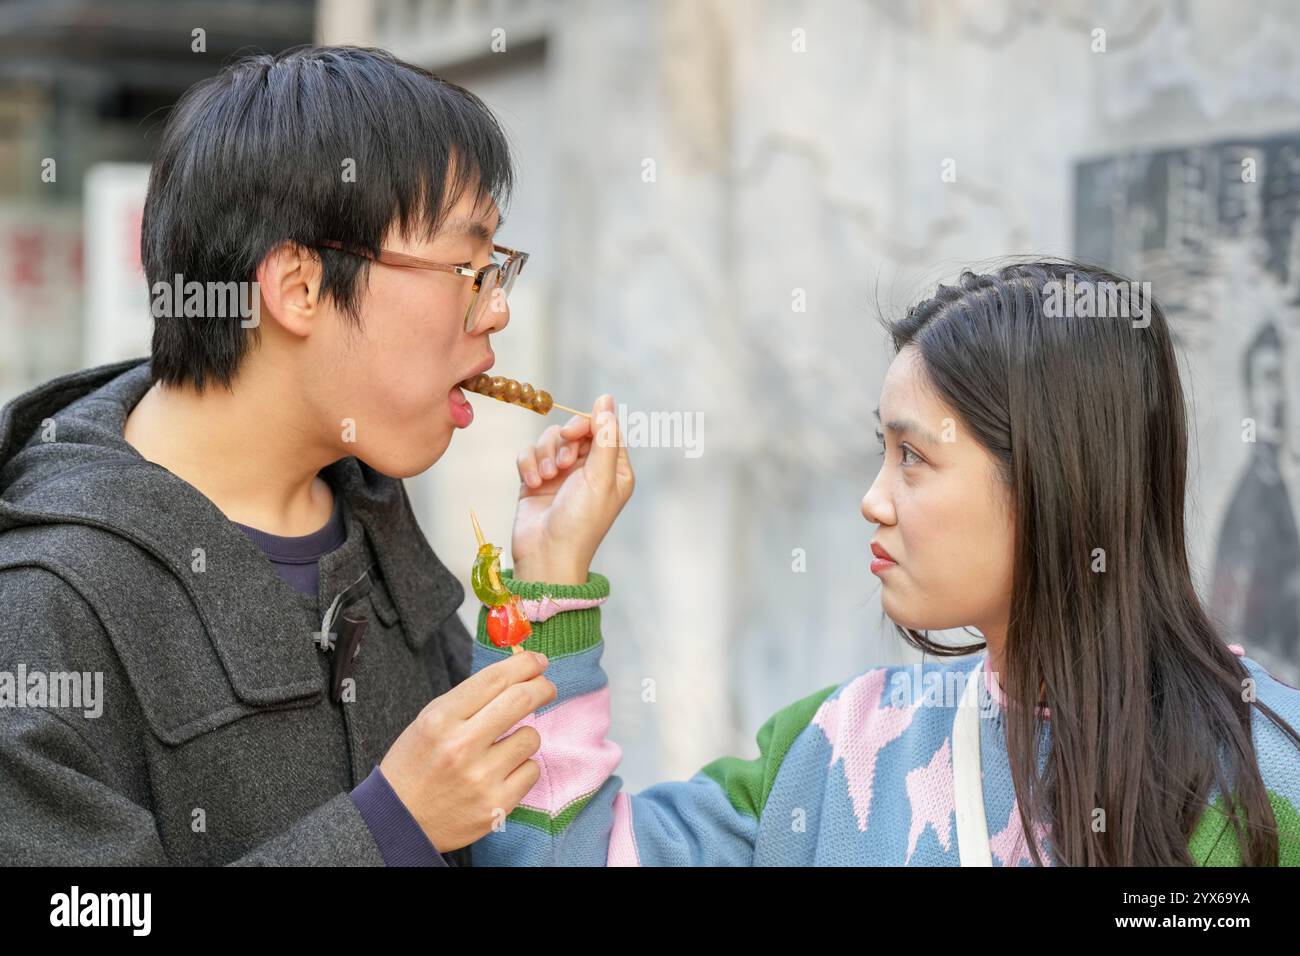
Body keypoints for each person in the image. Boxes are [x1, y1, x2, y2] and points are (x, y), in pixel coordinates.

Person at [474, 260, 1300, 866]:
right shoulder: (837, 751)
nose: (873, 500)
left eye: (913, 457)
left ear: (1052, 479)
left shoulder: (1267, 781)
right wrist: (550, 576)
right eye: (883, 450)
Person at [0, 46, 559, 866]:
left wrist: (550, 580)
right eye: (468, 267)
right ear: (297, 286)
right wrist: (388, 831)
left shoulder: (368, 518)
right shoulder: (44, 613)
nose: (498, 310)